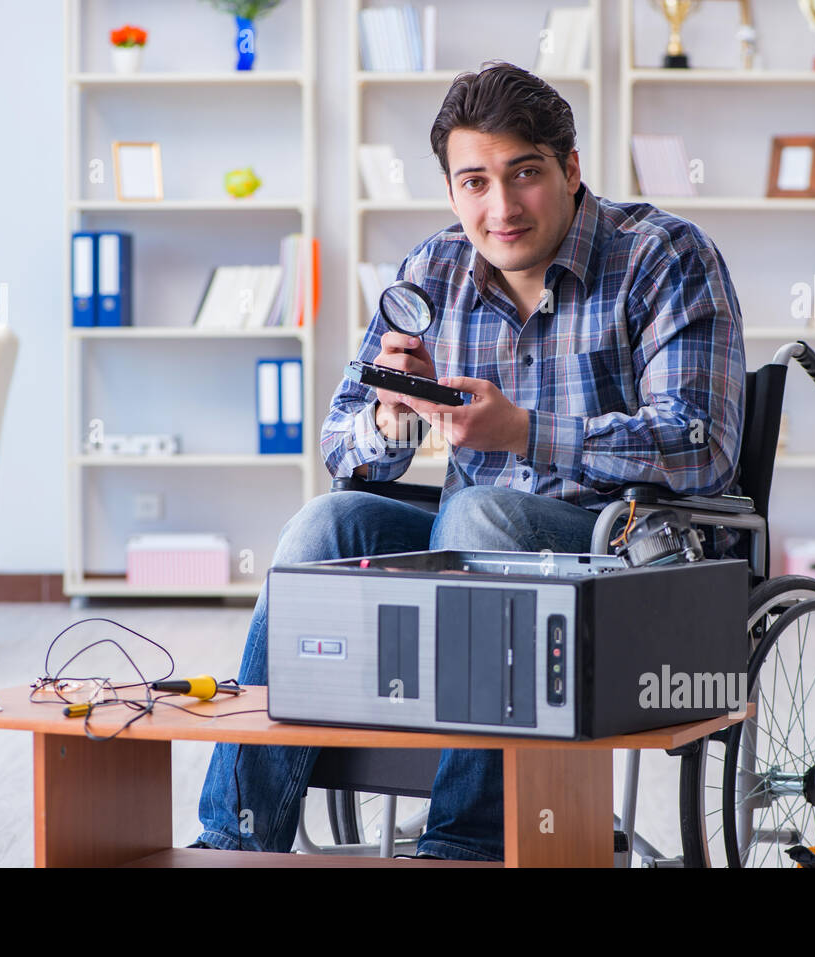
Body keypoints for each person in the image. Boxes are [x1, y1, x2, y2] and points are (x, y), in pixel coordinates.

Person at [191, 61, 746, 862]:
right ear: (451, 190)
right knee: (326, 524)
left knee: (479, 512)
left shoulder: (664, 256)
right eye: (475, 181)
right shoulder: (433, 270)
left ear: (571, 169)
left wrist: (525, 431)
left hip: (628, 559)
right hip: (470, 559)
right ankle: (234, 839)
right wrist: (393, 411)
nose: (501, 206)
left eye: (524, 174)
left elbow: (702, 445)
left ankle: (463, 844)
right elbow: (341, 444)